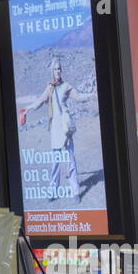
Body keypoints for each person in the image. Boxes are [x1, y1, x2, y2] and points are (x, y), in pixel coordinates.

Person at [21, 56, 93, 193]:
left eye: (59, 68)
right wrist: (26, 110)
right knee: (55, 161)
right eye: (55, 69)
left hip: (65, 127)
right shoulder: (50, 88)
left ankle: (76, 190)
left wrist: (92, 95)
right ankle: (53, 190)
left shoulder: (66, 86)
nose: (58, 71)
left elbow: (79, 97)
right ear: (52, 72)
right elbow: (39, 102)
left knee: (70, 159)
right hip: (55, 127)